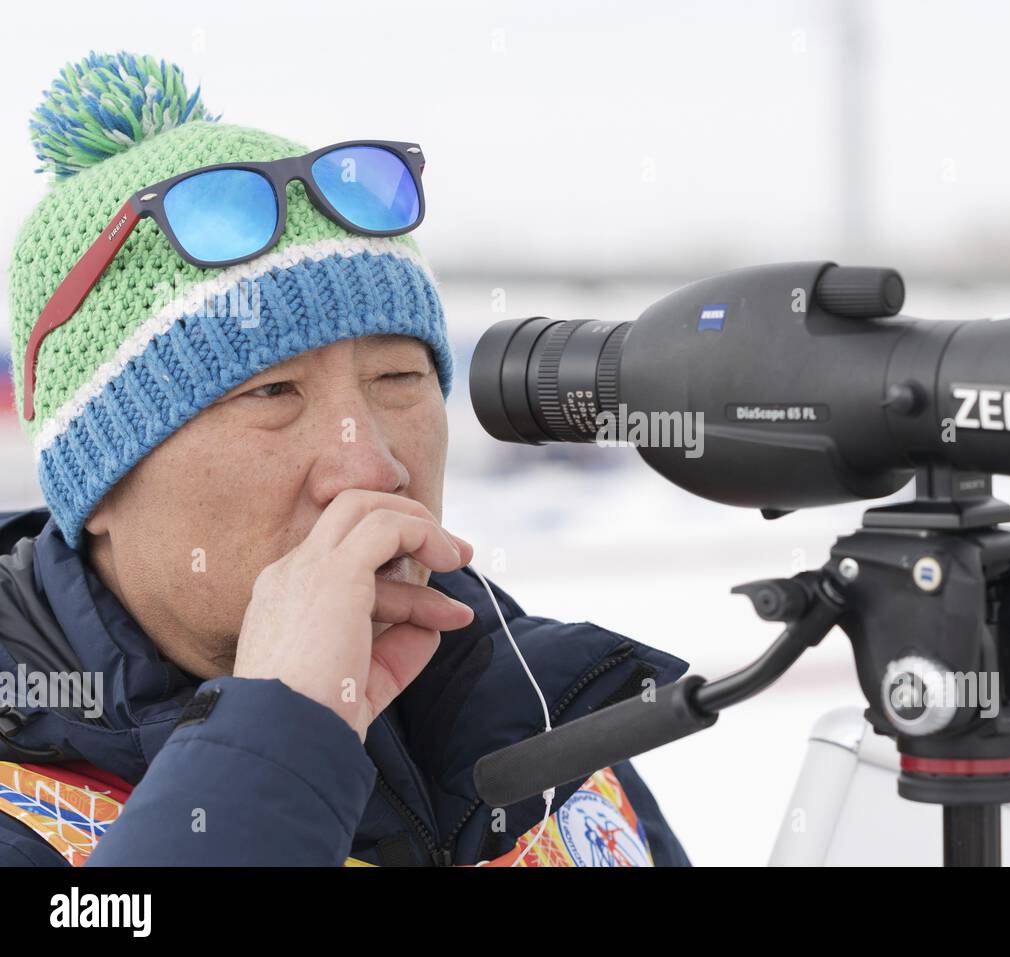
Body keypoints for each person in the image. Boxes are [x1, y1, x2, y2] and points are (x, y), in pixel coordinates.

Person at [0, 51, 690, 867]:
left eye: (398, 378)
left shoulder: (547, 728)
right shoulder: (32, 811)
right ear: (101, 481)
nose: (369, 468)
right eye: (273, 394)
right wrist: (283, 728)